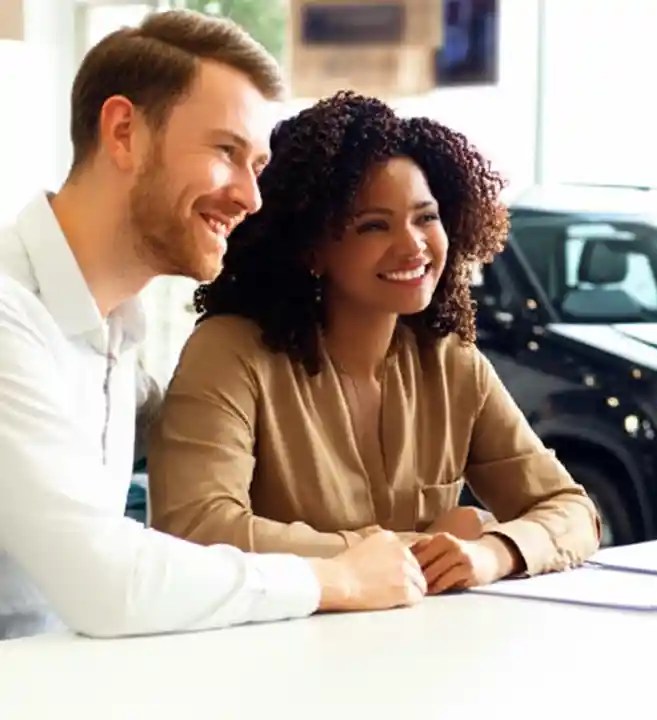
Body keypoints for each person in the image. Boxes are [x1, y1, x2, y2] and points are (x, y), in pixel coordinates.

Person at [0, 10, 427, 641]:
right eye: (227, 151)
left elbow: (200, 433)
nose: (252, 199)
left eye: (256, 166)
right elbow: (108, 585)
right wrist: (337, 578)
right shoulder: (11, 318)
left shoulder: (113, 335)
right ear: (123, 133)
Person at [144, 91, 601, 593]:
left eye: (426, 217)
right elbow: (195, 529)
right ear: (312, 247)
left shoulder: (451, 363)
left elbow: (574, 512)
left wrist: (491, 551)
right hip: (275, 653)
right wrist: (404, 550)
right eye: (374, 225)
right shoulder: (230, 351)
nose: (413, 245)